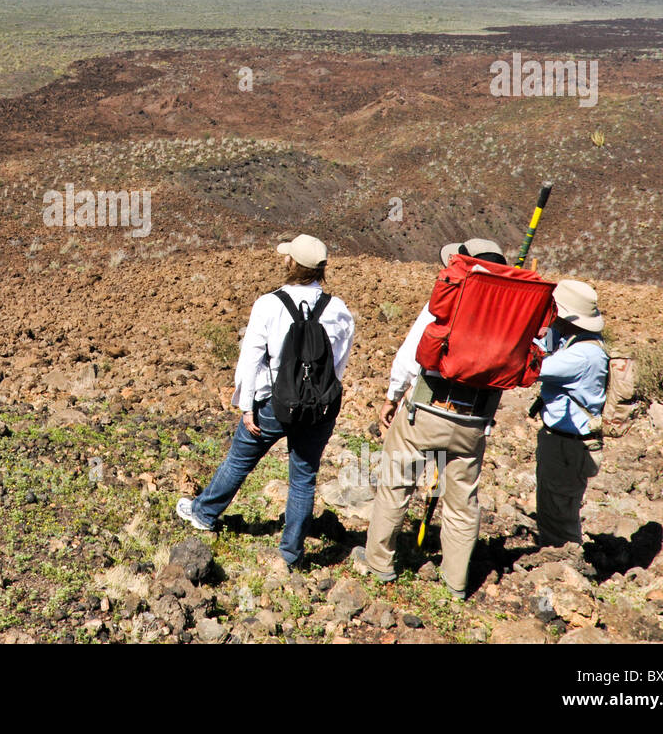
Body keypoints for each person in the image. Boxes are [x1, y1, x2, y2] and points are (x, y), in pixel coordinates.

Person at [176, 234, 355, 570]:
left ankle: (204, 513)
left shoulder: (269, 304)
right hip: (319, 408)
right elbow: (338, 364)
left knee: (239, 460)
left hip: (273, 403)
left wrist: (246, 404)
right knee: (303, 478)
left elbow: (250, 359)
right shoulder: (339, 309)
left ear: (292, 264)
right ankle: (290, 554)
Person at [356, 237, 508, 599]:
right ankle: (456, 581)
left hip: (426, 409)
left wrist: (393, 396)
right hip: (474, 419)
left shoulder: (451, 298)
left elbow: (412, 357)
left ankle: (380, 563)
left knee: (396, 484)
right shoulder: (513, 316)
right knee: (462, 502)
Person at [533, 280, 608, 546]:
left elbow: (533, 368)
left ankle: (564, 566)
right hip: (566, 443)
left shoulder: (581, 355)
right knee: (555, 506)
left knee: (558, 513)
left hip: (567, 447)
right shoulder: (579, 344)